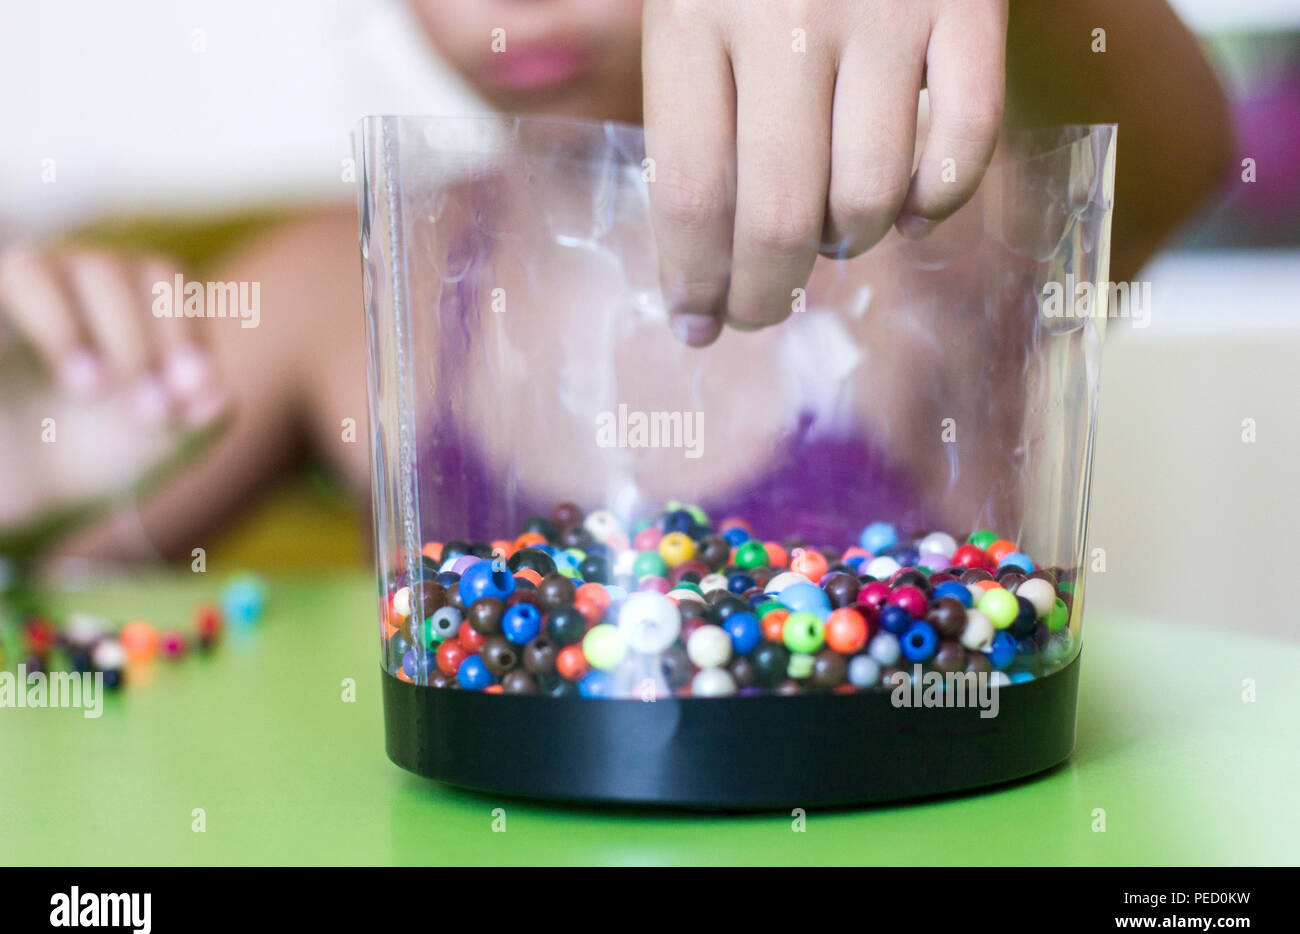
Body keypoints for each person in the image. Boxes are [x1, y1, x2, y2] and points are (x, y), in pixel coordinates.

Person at [0, 0, 1231, 561]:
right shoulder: (343, 276)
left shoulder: (951, 211)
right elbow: (59, 534)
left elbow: (1170, 144)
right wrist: (55, 427)